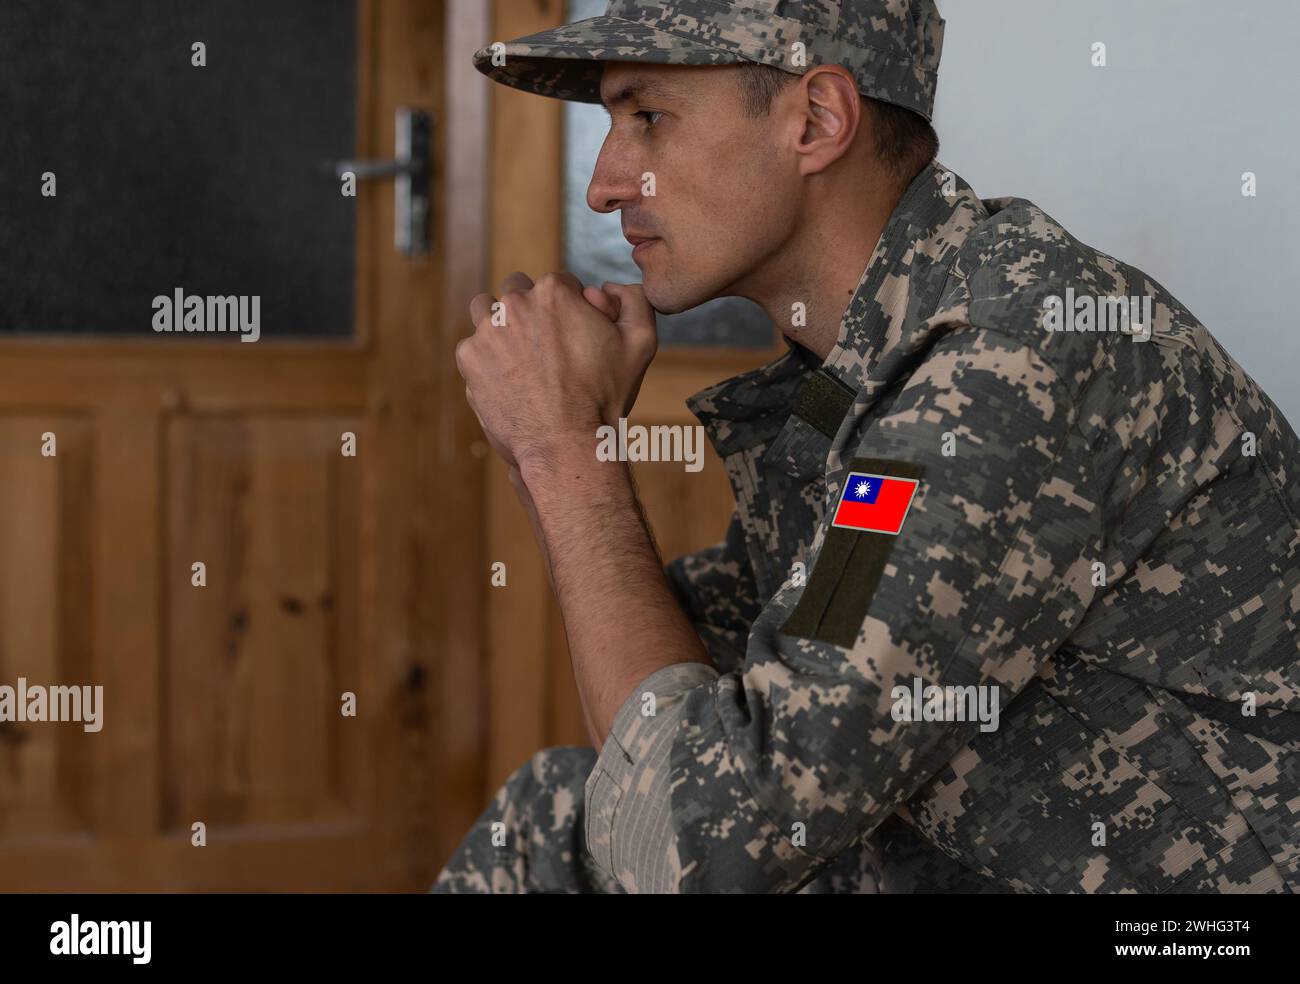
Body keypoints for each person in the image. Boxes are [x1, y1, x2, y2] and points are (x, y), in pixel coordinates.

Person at [435, 0, 1300, 893]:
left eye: (648, 116)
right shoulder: (865, 364)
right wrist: (557, 448)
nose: (605, 185)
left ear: (815, 121)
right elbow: (701, 713)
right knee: (550, 826)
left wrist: (564, 453)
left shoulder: (1010, 358)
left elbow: (696, 852)